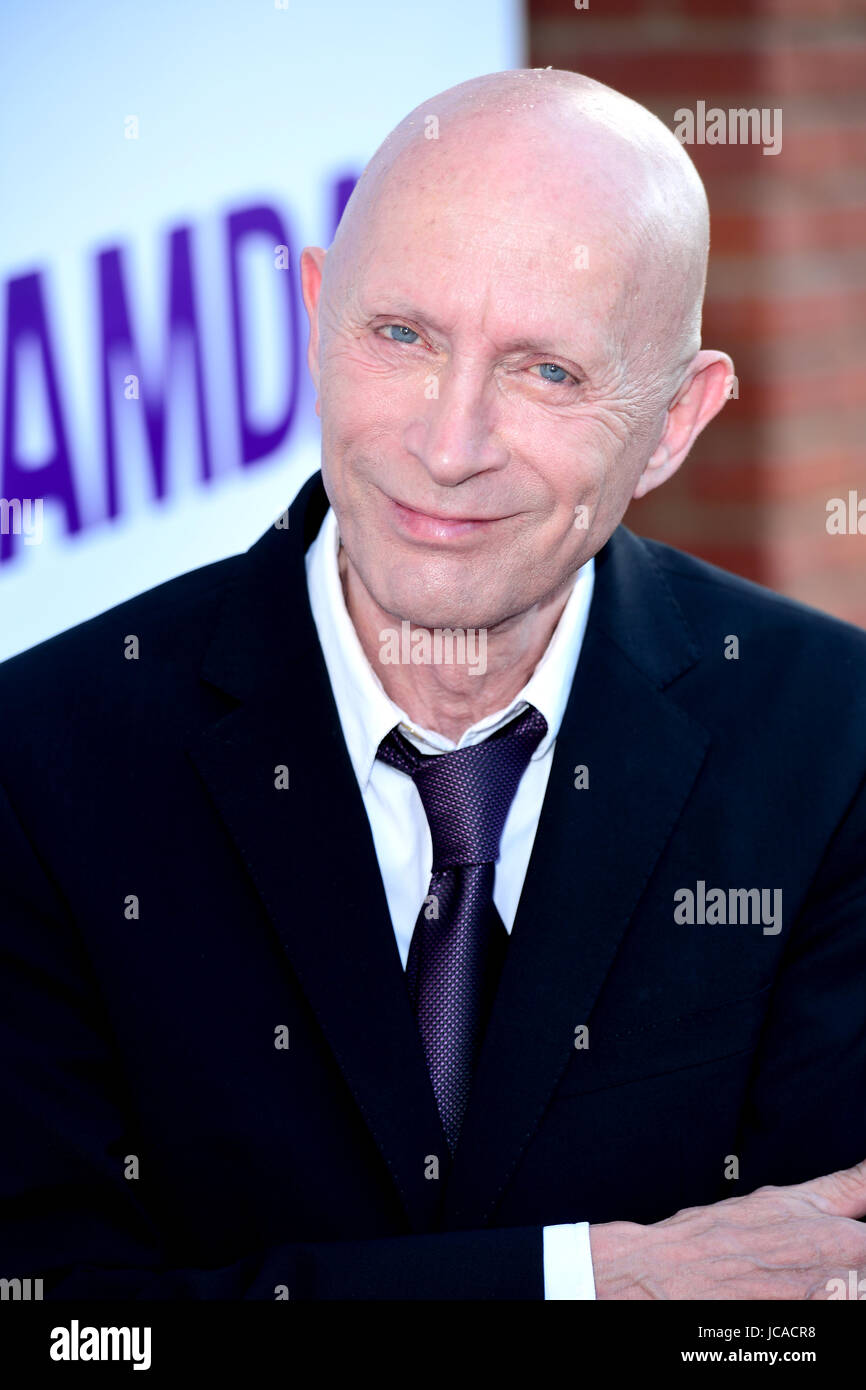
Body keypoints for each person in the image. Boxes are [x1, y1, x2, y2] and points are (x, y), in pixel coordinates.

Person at [1, 68, 865, 1301]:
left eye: (545, 372)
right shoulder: (41, 766)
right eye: (399, 335)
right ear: (312, 312)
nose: (446, 446)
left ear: (676, 421)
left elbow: (818, 1291)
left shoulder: (831, 746)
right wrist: (578, 1282)